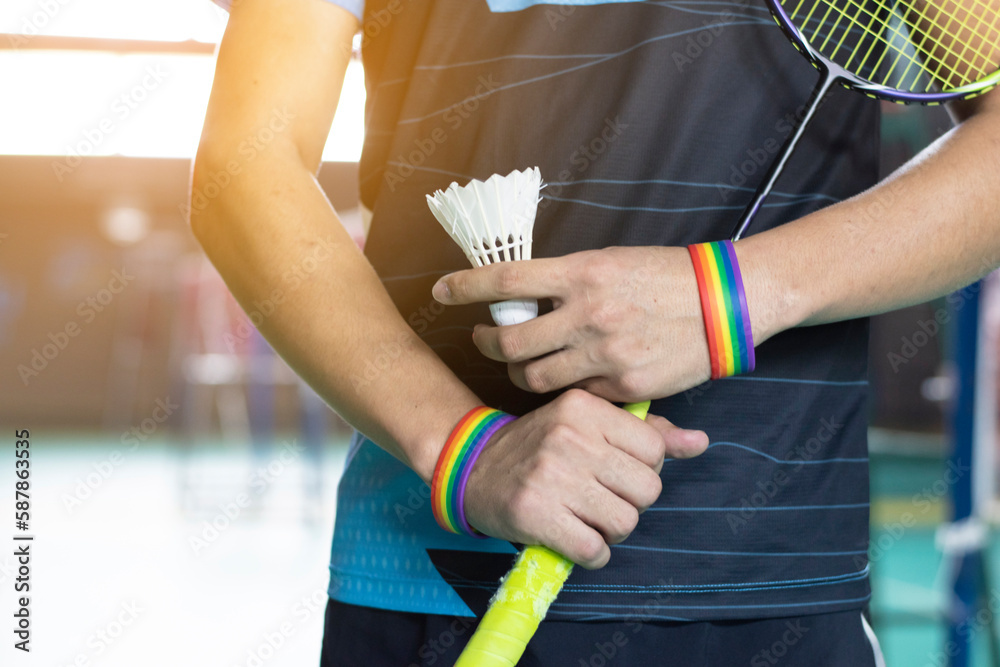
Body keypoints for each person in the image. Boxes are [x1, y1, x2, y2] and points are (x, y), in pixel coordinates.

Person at [191, 0, 1000, 664]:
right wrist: (460, 449)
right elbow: (245, 165)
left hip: (768, 586)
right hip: (431, 578)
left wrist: (730, 295)